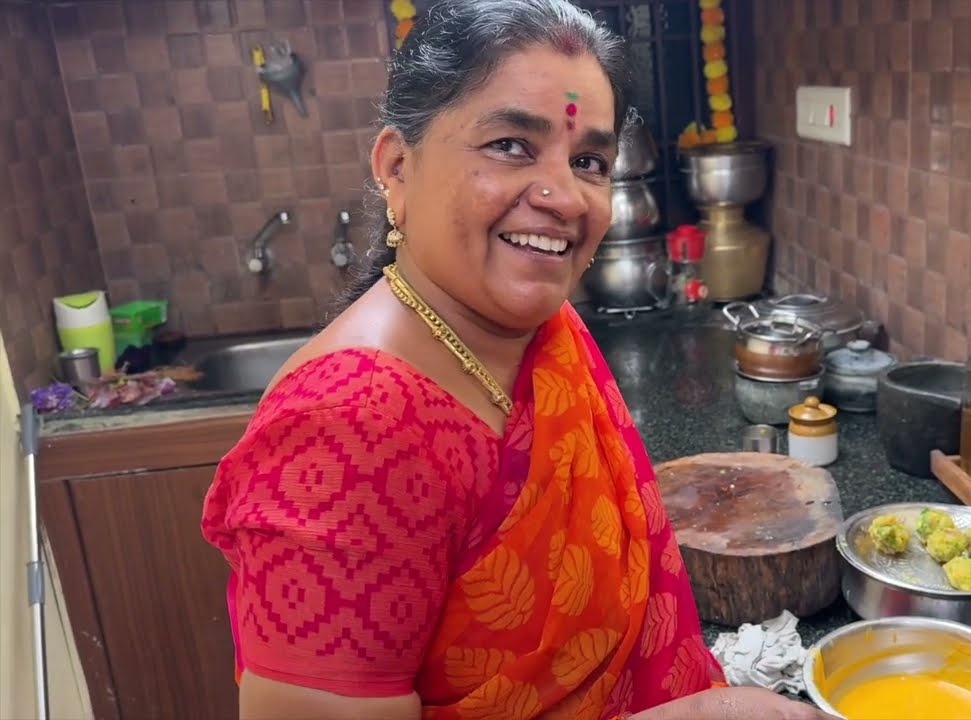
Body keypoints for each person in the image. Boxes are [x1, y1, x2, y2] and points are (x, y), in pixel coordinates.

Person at [201, 2, 838, 718]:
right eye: (509, 144)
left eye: (590, 161)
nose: (564, 196)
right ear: (397, 168)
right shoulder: (349, 426)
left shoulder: (540, 331)